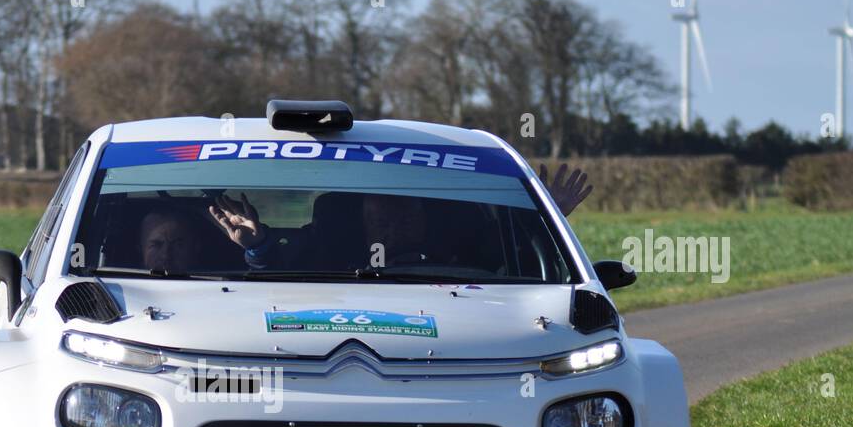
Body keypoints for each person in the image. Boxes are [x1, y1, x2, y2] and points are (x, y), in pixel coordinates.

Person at [207, 162, 594, 270]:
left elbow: (517, 256)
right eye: (381, 220)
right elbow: (281, 271)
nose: (395, 226)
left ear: (426, 217)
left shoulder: (468, 250)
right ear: (362, 223)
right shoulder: (328, 253)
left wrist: (544, 219)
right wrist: (258, 246)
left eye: (406, 215)